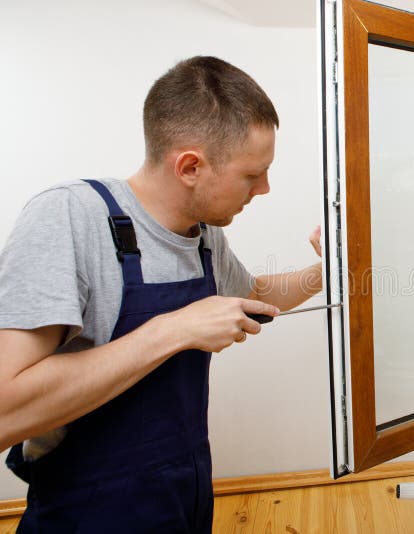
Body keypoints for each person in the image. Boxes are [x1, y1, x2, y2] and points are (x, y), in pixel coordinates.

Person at [0, 56, 322, 532]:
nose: (266, 188)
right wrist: (174, 329)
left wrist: (331, 270)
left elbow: (255, 292)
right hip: (89, 512)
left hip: (185, 494)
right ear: (190, 166)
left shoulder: (205, 233)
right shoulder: (69, 218)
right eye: (252, 175)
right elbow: (6, 409)